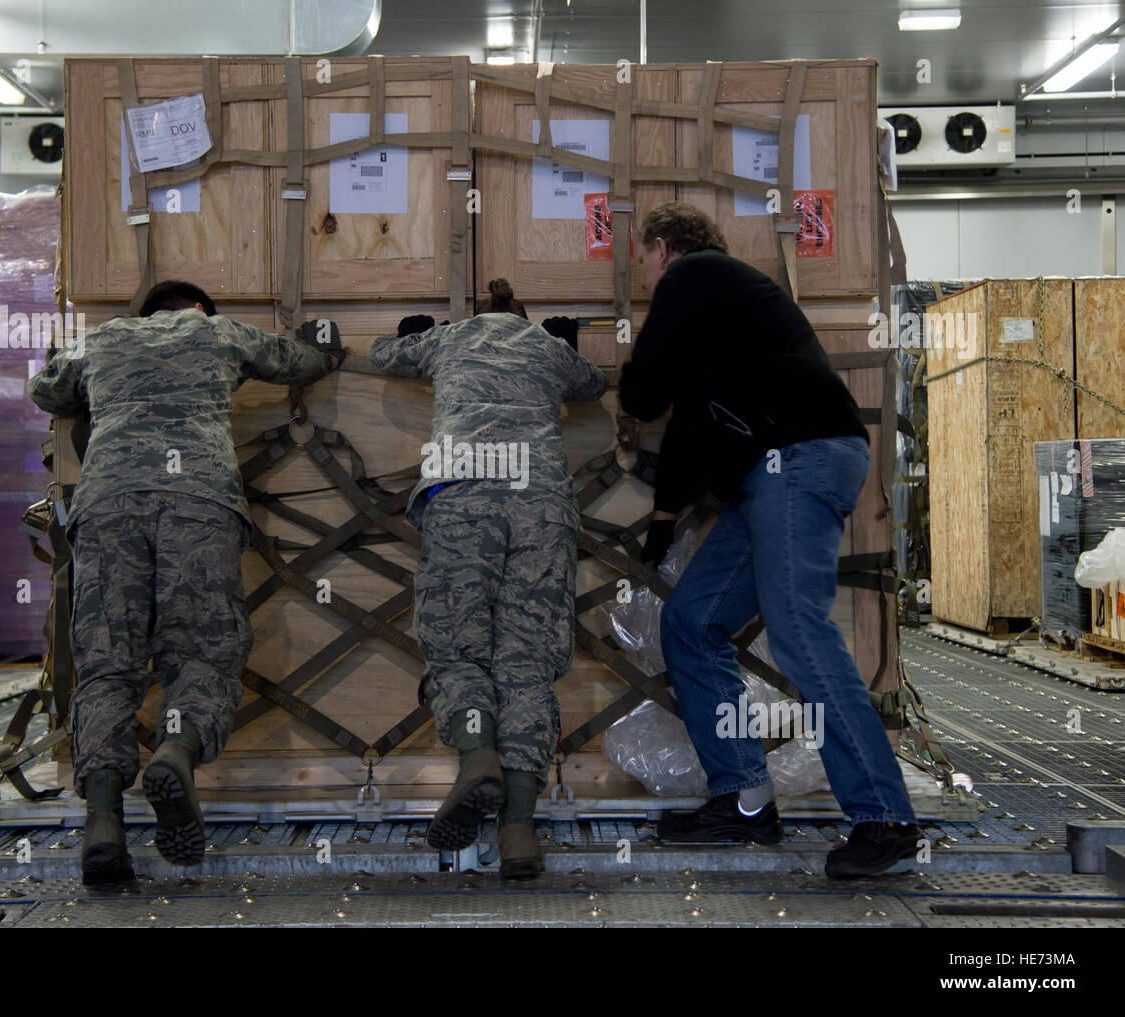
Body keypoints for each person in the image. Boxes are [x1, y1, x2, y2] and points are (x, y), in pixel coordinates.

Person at [619, 202, 922, 878]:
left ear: (663, 248)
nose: (642, 275)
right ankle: (745, 801)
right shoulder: (724, 310)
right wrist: (666, 517)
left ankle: (884, 815)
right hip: (775, 474)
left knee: (799, 631)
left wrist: (627, 386)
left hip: (799, 460)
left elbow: (645, 392)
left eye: (641, 259)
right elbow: (694, 420)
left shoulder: (692, 277)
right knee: (693, 620)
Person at [28, 280, 344, 884]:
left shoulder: (103, 338)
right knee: (201, 653)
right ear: (199, 310)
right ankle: (175, 749)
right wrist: (325, 346)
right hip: (198, 502)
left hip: (108, 505)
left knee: (106, 662)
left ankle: (102, 819)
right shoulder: (218, 331)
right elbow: (299, 361)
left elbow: (47, 391)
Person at [370, 280, 607, 879]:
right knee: (525, 663)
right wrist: (562, 341)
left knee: (456, 652)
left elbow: (381, 355)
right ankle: (520, 827)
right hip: (540, 503)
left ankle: (477, 756)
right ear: (526, 317)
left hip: (462, 495)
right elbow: (595, 384)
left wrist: (412, 334)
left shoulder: (450, 339)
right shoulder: (545, 348)